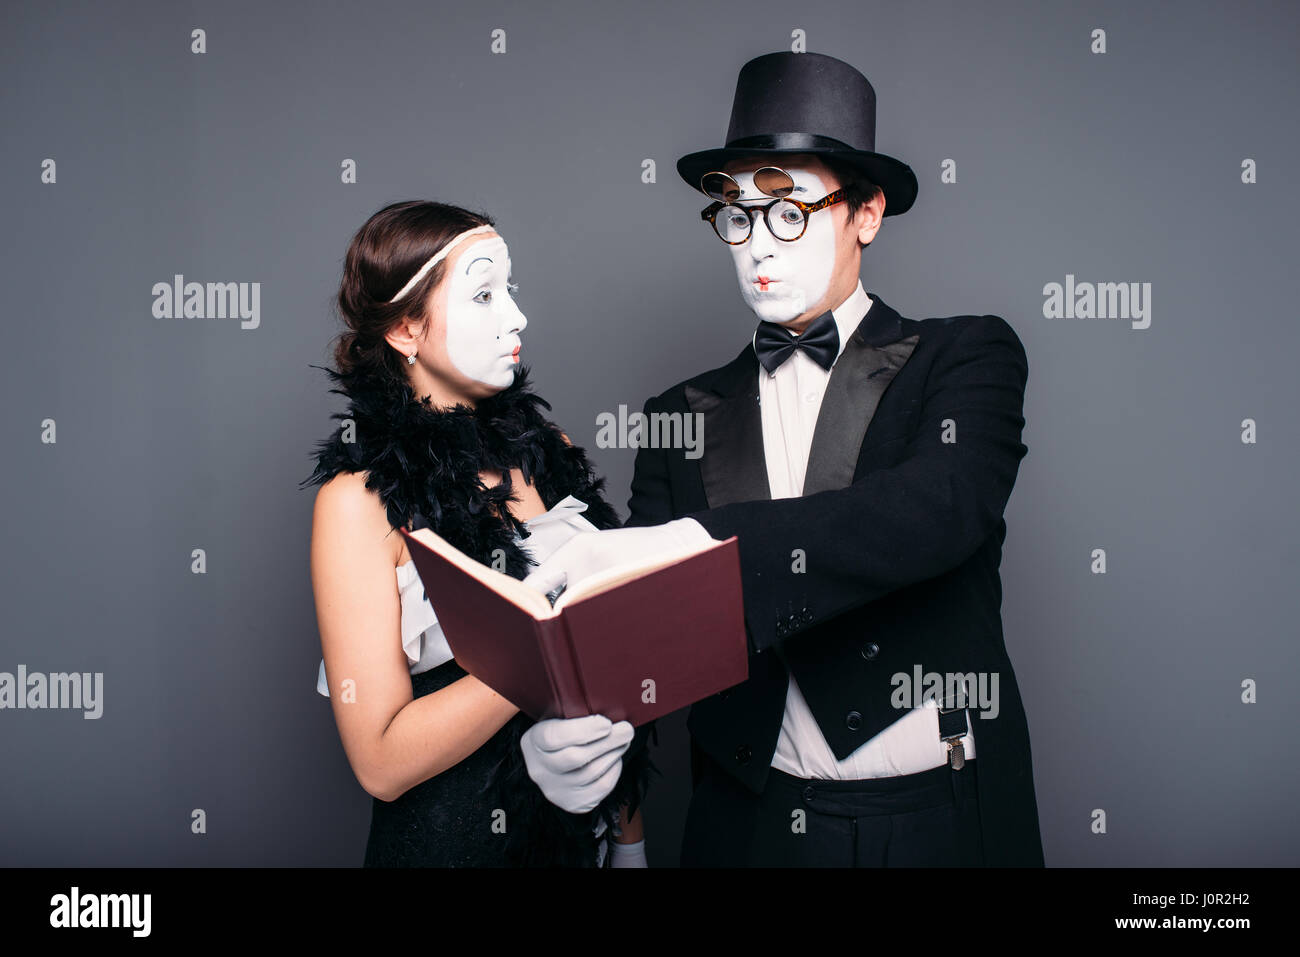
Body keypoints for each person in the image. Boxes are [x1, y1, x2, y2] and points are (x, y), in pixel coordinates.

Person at [521, 52, 1045, 866]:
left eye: (788, 209)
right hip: (750, 825)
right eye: (736, 212)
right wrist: (576, 745)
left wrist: (678, 543)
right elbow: (649, 643)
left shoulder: (967, 354)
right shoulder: (677, 415)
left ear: (867, 212)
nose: (756, 242)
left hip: (937, 819)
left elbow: (937, 512)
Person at [302, 200, 651, 867]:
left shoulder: (549, 450)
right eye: (484, 294)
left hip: (579, 849)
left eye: (510, 290)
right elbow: (378, 761)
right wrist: (545, 645)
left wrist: (630, 843)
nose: (516, 316)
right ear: (406, 329)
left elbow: (615, 675)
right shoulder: (357, 502)